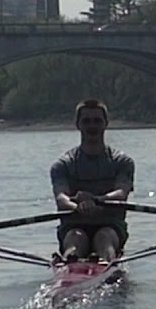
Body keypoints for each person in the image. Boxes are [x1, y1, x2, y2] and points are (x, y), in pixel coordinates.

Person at [50, 98, 134, 263]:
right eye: (86, 121)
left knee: (104, 236)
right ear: (78, 125)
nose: (92, 126)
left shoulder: (122, 162)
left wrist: (96, 201)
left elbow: (121, 194)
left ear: (106, 123)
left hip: (111, 225)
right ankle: (70, 262)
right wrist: (78, 207)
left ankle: (105, 261)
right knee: (76, 238)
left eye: (97, 121)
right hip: (73, 226)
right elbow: (61, 199)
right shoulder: (62, 164)